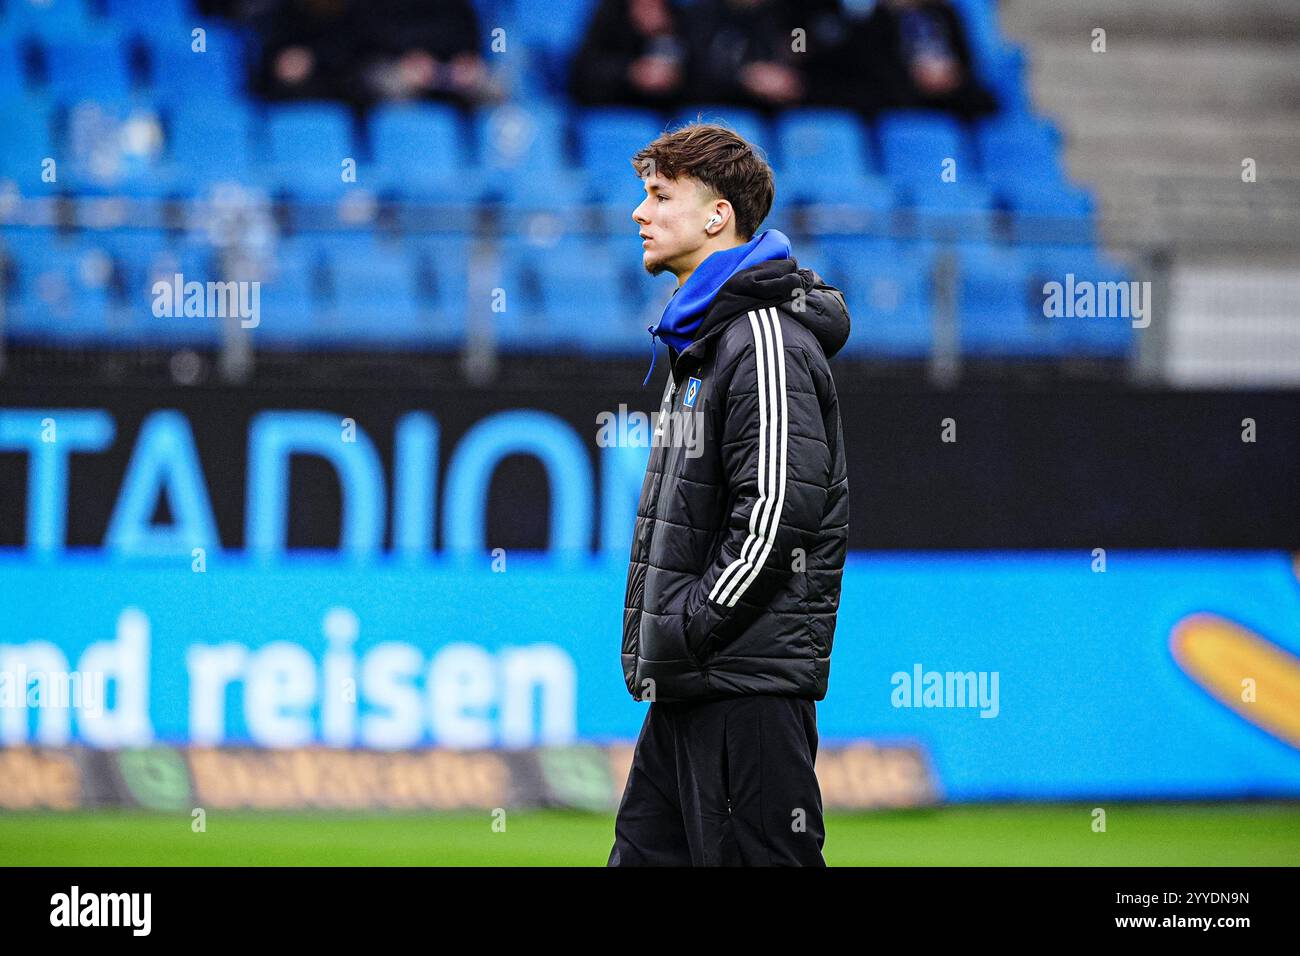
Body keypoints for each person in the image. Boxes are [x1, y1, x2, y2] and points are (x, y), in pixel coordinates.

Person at [610, 123, 851, 866]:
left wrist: (688, 625)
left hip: (741, 691)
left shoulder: (764, 337)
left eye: (658, 195)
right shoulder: (706, 341)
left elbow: (779, 514)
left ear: (718, 216)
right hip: (692, 688)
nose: (638, 213)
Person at [568, 0, 689, 110]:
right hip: (611, 105)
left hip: (666, 109)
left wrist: (661, 34)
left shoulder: (677, 14)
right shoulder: (608, 13)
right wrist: (631, 72)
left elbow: (696, 75)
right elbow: (585, 72)